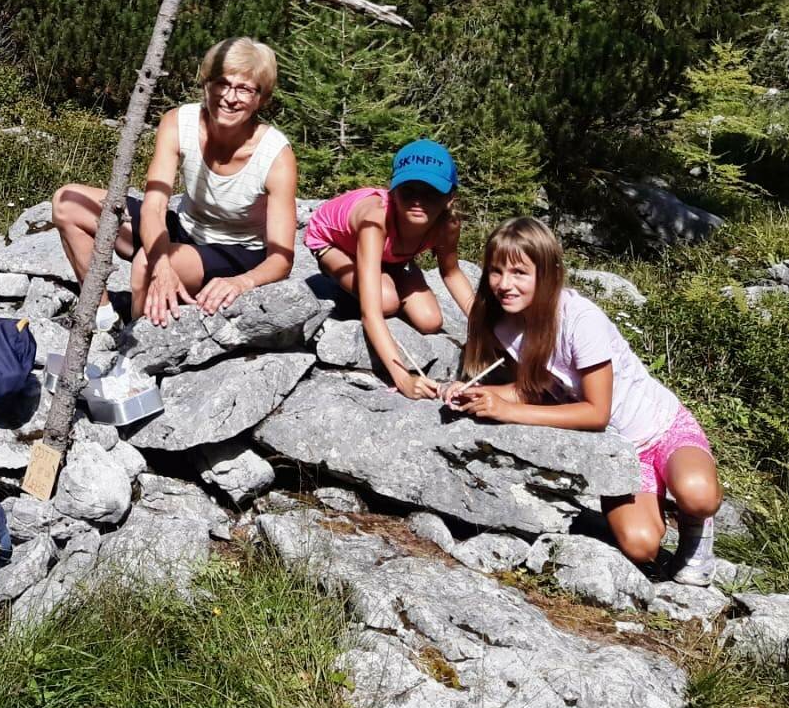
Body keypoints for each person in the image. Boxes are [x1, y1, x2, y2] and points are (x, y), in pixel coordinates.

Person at [442, 216, 720, 582]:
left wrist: (509, 412)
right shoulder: (508, 324)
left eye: (519, 273)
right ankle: (658, 502)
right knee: (642, 546)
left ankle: (697, 525)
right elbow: (533, 390)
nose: (504, 285)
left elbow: (596, 413)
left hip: (661, 428)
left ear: (548, 273)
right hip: (620, 453)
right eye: (495, 272)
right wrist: (477, 393)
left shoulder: (579, 319)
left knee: (697, 495)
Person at [51, 37, 298, 328]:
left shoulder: (275, 156)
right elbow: (155, 207)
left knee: (146, 263)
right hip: (184, 229)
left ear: (262, 99)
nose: (230, 97)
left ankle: (133, 352)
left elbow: (282, 259)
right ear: (206, 84)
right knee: (68, 201)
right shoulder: (179, 122)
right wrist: (164, 263)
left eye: (244, 89)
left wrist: (242, 282)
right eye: (222, 83)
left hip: (235, 251)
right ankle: (103, 318)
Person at [304, 139, 476, 399]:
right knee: (385, 301)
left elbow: (451, 272)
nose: (418, 201)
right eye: (409, 191)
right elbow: (370, 313)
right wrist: (403, 378)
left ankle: (393, 264)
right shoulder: (374, 220)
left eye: (431, 192)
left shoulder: (447, 225)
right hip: (334, 244)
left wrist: (487, 325)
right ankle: (373, 269)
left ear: (450, 197)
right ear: (393, 192)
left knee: (430, 321)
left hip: (389, 254)